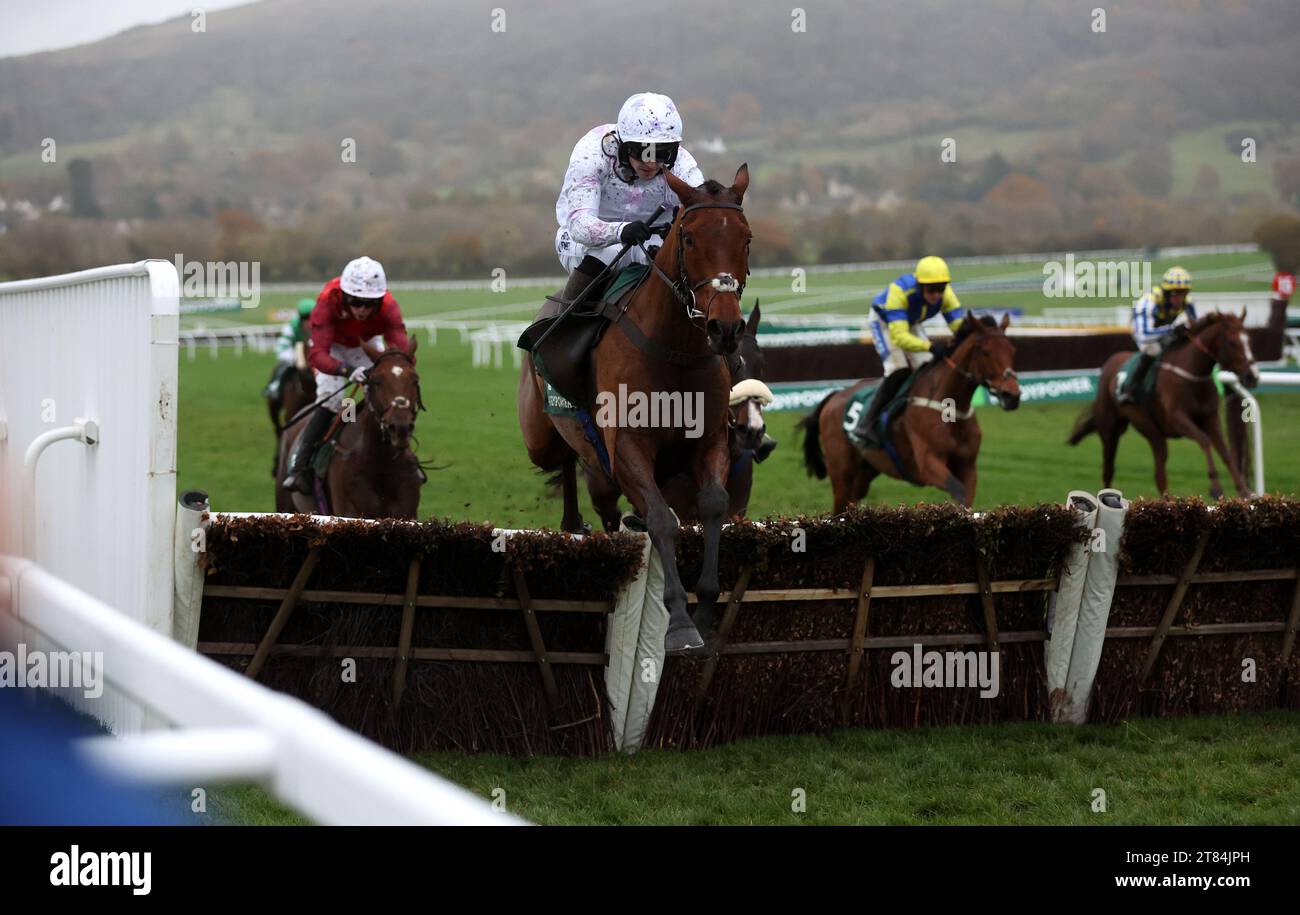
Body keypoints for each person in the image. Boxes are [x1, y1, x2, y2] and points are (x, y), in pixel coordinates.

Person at [554, 91, 705, 304]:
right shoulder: (591, 155)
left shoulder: (683, 165)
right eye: (641, 151)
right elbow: (580, 225)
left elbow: (703, 216)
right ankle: (565, 329)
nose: (651, 163)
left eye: (660, 152)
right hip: (583, 242)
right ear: (623, 144)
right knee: (609, 253)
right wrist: (621, 230)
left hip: (651, 239)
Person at [281, 256, 410, 495]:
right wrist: (347, 371)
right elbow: (318, 353)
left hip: (365, 344)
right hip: (332, 347)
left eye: (370, 303)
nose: (362, 309)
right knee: (332, 398)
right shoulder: (327, 301)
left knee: (388, 395)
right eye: (355, 301)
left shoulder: (389, 307)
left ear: (380, 299)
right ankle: (300, 465)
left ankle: (403, 458)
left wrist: (397, 373)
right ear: (343, 296)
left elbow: (401, 352)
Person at [851, 256, 965, 442]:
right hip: (886, 324)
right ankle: (867, 423)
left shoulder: (947, 295)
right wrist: (929, 345)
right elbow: (900, 337)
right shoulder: (900, 292)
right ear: (919, 286)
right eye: (931, 290)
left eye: (941, 289)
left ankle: (931, 415)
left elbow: (959, 327)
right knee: (899, 369)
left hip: (911, 323)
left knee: (928, 369)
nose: (936, 295)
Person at [1117, 266, 1196, 405]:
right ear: (1166, 293)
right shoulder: (1148, 302)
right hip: (1142, 330)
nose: (1179, 298)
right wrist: (1172, 329)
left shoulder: (1187, 301)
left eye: (1183, 292)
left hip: (1163, 327)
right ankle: (1130, 389)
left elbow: (1195, 327)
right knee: (1153, 350)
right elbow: (1144, 335)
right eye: (1175, 293)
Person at [262, 297, 315, 402]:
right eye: (305, 318)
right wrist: (294, 358)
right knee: (284, 365)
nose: (308, 322)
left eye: (310, 318)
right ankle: (274, 387)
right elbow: (283, 345)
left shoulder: (319, 326)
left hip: (310, 352)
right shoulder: (291, 327)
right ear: (300, 318)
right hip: (292, 351)